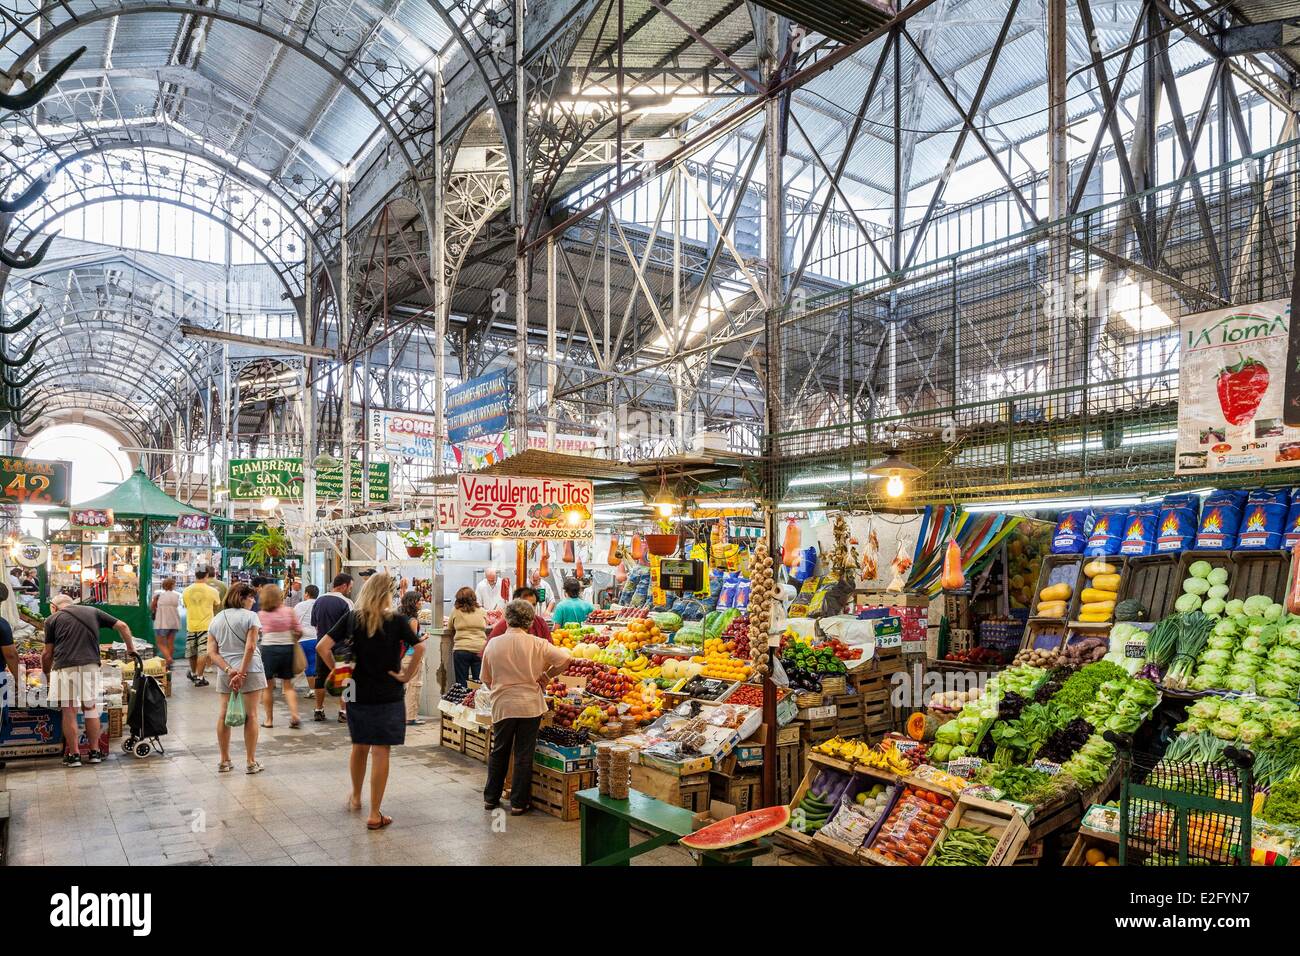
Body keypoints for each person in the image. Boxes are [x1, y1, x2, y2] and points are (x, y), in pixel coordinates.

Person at [317, 572, 425, 830]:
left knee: (359, 745)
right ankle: (375, 813)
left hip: (354, 689)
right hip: (388, 691)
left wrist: (338, 671)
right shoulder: (397, 620)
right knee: (381, 750)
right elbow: (420, 647)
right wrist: (406, 676)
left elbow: (322, 646)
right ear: (387, 594)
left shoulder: (352, 618)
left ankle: (356, 796)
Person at [481, 599, 570, 815]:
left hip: (503, 704)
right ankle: (519, 803)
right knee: (523, 753)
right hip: (530, 705)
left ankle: (491, 798)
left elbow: (487, 679)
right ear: (530, 621)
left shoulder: (494, 644)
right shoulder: (537, 643)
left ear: (506, 619)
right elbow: (566, 659)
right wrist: (546, 675)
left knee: (499, 750)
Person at [43, 594, 136, 767]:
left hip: (65, 667)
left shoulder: (52, 619)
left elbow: (47, 653)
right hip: (90, 665)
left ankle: (74, 755)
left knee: (69, 710)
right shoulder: (93, 611)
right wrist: (131, 649)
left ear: (54, 607)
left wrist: (46, 673)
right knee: (90, 708)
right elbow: (122, 626)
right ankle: (94, 752)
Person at [208, 583, 266, 774]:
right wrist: (241, 672)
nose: (253, 601)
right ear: (242, 598)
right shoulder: (251, 617)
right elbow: (250, 647)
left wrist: (229, 670)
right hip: (251, 670)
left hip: (225, 672)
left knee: (224, 714)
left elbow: (212, 652)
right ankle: (250, 762)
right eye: (251, 597)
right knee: (252, 715)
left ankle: (224, 761)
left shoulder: (216, 619)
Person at [310, 573, 354, 722]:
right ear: (344, 586)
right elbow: (351, 626)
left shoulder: (319, 600)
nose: (350, 590)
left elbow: (315, 624)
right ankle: (344, 711)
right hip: (342, 647)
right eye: (350, 587)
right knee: (346, 679)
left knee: (320, 677)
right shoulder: (347, 602)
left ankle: (318, 710)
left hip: (321, 645)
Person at [258, 583, 302, 729]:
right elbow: (299, 630)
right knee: (288, 685)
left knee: (268, 687)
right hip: (287, 649)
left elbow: (258, 632)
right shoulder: (289, 611)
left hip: (268, 650)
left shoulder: (261, 614)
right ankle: (294, 715)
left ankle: (269, 720)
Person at [181, 568, 221, 686]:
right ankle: (200, 677)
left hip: (191, 625)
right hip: (206, 626)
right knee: (203, 652)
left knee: (192, 651)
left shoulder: (186, 591)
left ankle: (193, 673)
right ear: (207, 575)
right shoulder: (213, 591)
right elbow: (217, 605)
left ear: (195, 574)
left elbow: (186, 605)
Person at [447, 586, 487, 686]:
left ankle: (463, 696)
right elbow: (486, 625)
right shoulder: (482, 611)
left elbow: (450, 627)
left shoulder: (455, 611)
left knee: (461, 683)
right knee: (479, 683)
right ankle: (477, 696)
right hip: (480, 649)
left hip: (462, 649)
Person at [486, 587, 551, 643]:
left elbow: (550, 646)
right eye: (526, 604)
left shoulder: (540, 623)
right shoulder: (504, 625)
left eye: (533, 605)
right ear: (515, 606)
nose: (530, 608)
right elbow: (487, 650)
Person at [397, 591, 424, 725]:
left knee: (404, 686)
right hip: (412, 655)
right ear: (414, 602)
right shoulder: (413, 620)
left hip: (402, 656)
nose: (422, 603)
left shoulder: (400, 617)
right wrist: (423, 637)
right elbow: (413, 640)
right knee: (414, 685)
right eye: (420, 600)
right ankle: (411, 717)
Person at [150, 577, 181, 671]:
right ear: (172, 585)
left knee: (160, 643)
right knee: (170, 643)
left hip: (162, 622)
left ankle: (168, 658)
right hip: (174, 622)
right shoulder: (177, 595)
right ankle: (168, 665)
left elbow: (152, 607)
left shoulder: (158, 596)